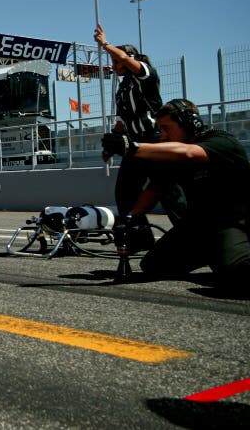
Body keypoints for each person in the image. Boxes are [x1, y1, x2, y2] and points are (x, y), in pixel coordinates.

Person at [102, 99, 250, 291]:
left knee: (237, 275)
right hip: (197, 227)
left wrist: (132, 147)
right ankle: (215, 254)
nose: (162, 135)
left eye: (166, 128)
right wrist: (130, 217)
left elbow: (189, 153)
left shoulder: (221, 142)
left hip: (232, 223)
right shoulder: (174, 158)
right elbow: (156, 188)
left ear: (190, 123)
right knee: (152, 266)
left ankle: (229, 256)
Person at [94, 24, 171, 247]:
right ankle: (140, 237)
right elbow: (121, 121)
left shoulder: (145, 75)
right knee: (125, 192)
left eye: (118, 61)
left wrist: (105, 44)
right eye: (113, 62)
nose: (114, 65)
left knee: (169, 191)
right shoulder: (122, 88)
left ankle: (195, 235)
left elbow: (129, 62)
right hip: (135, 145)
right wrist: (110, 146)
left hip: (156, 141)